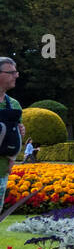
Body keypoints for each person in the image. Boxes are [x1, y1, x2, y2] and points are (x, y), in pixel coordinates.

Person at [0, 57, 24, 206]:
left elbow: (16, 136)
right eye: (12, 72)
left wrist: (20, 132)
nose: (16, 76)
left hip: (1, 170)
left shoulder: (14, 104)